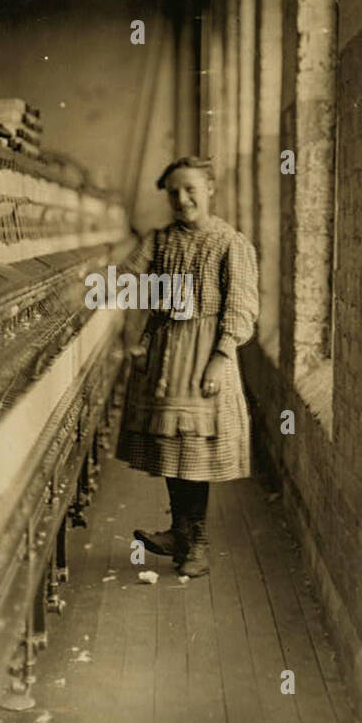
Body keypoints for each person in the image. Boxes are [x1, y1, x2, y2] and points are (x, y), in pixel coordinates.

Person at [116, 156, 260, 578]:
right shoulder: (160, 241)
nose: (182, 199)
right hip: (167, 354)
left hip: (205, 356)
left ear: (210, 188)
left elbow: (242, 305)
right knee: (175, 447)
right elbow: (127, 280)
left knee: (195, 448)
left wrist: (221, 356)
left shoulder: (231, 243)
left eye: (191, 189)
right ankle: (180, 532)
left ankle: (196, 543)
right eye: (174, 192)